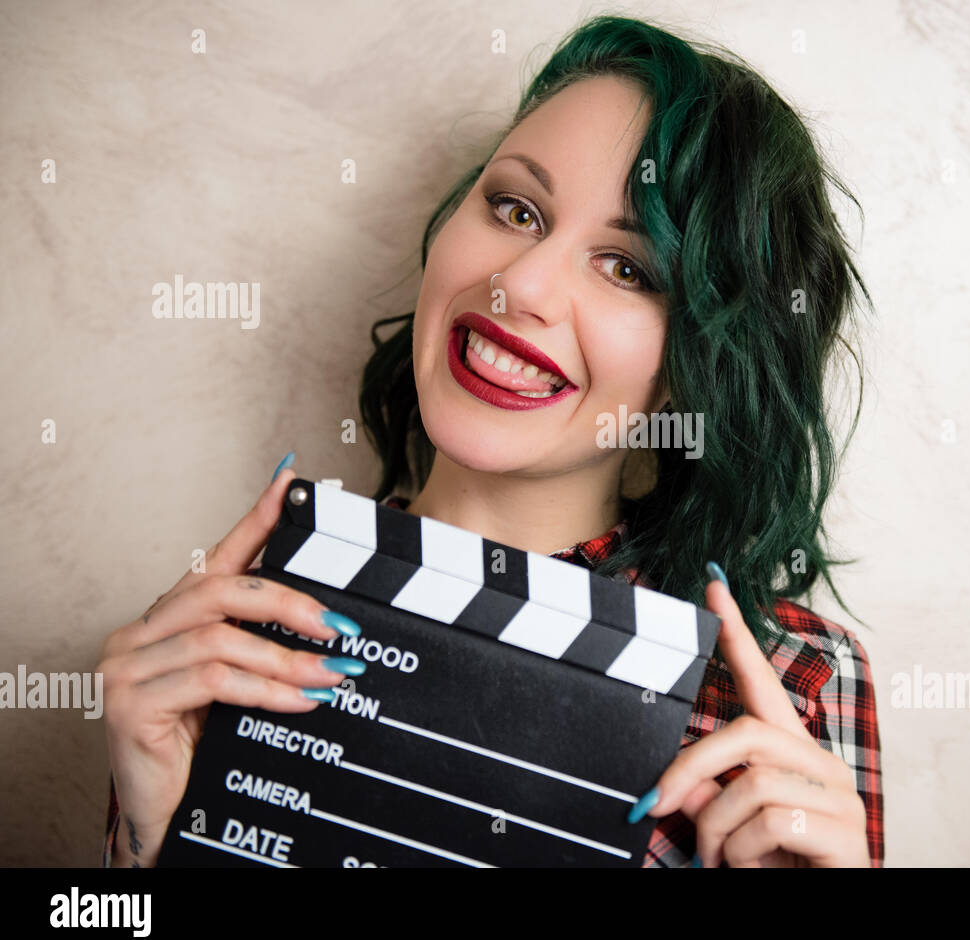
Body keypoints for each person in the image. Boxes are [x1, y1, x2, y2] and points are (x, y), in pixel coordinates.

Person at [99, 14, 882, 868]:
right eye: (515, 208)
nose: (519, 283)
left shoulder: (793, 682)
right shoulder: (234, 628)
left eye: (628, 268)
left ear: (698, 369)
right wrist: (145, 844)